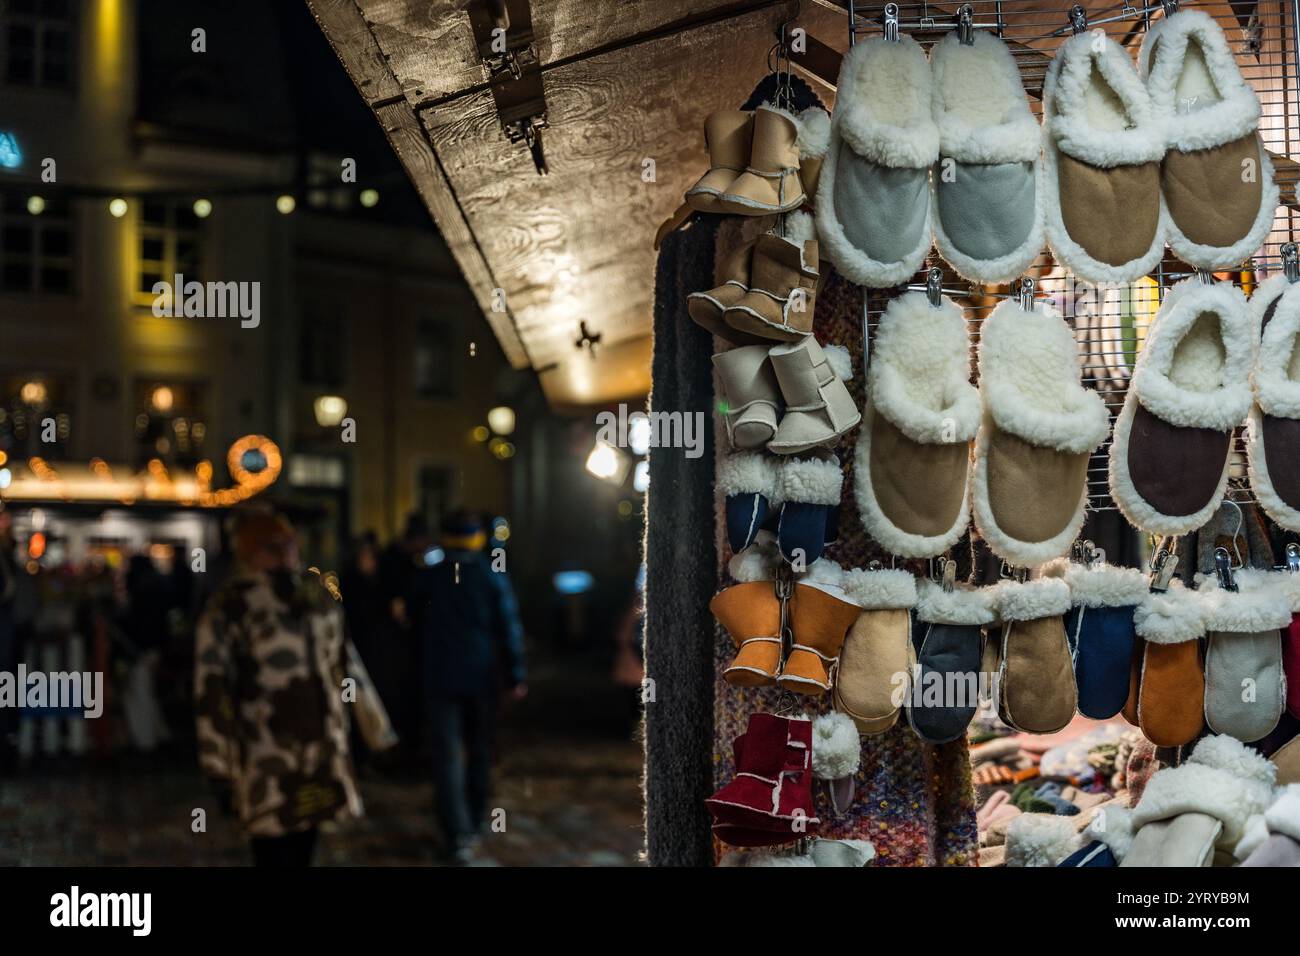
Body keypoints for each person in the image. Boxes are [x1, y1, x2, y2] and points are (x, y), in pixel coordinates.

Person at [194, 511, 365, 867]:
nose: (286, 554)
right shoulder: (231, 606)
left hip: (319, 744)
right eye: (274, 547)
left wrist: (371, 727)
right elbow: (211, 689)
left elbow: (346, 663)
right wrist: (218, 764)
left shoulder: (315, 597)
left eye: (290, 545)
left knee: (307, 838)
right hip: (265, 749)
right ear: (251, 553)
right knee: (272, 844)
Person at [410, 509, 525, 864]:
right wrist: (516, 675)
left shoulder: (429, 578)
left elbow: (410, 622)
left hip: (440, 676)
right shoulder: (491, 578)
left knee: (447, 756)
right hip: (482, 677)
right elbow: (509, 628)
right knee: (479, 750)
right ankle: (474, 820)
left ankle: (455, 831)